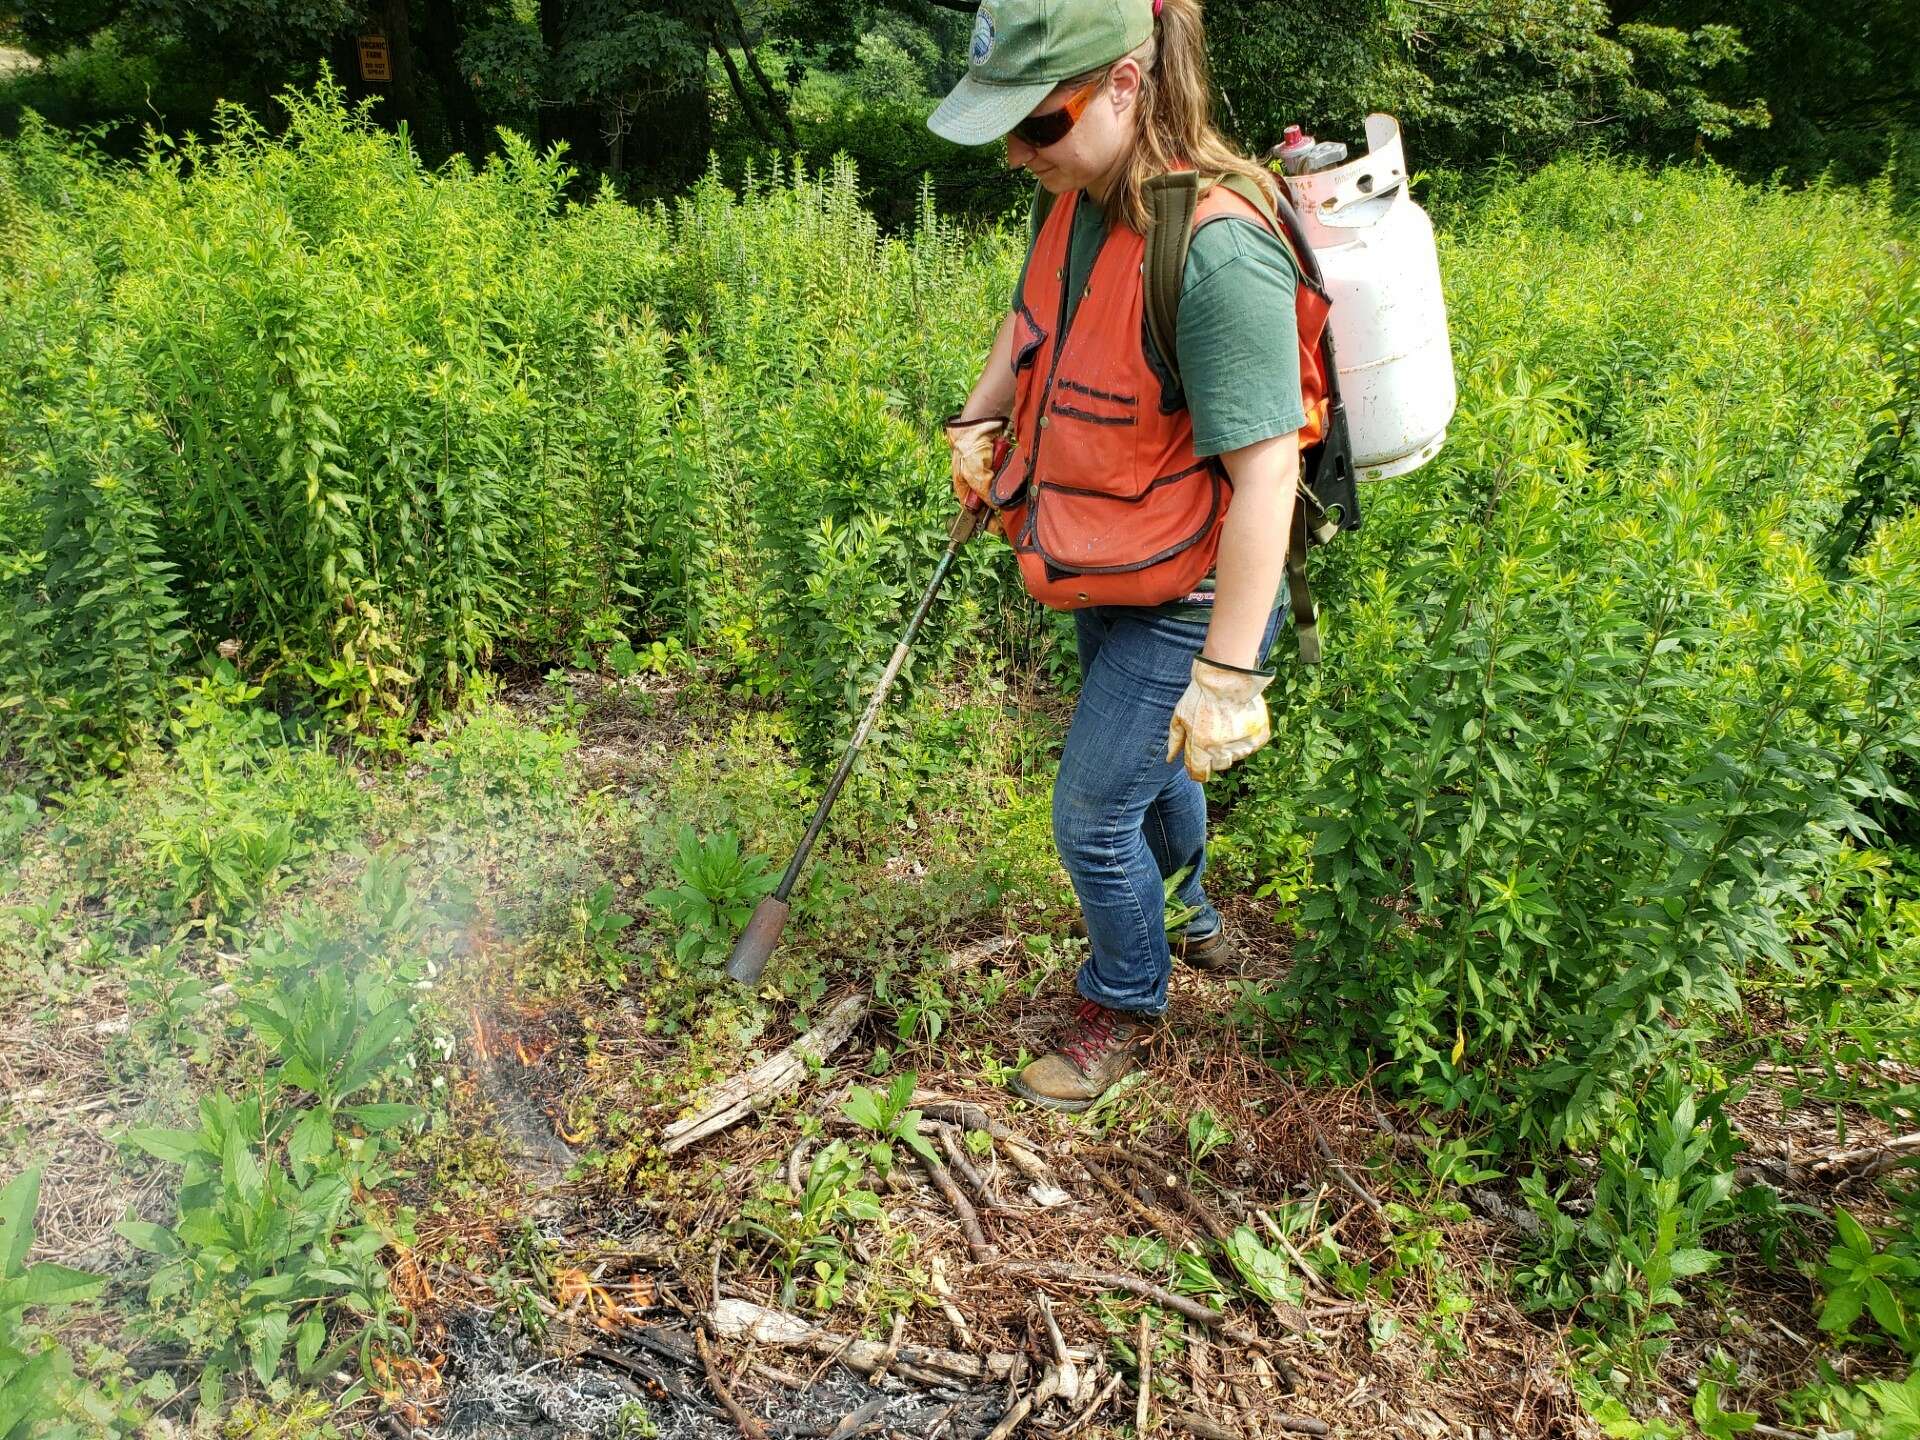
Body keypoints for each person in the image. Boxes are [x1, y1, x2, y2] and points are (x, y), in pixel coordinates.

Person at [930, 0, 1313, 1110]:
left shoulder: (1218, 250)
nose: (1017, 153)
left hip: (1194, 584)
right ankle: (1189, 915)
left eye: (1037, 123)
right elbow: (1030, 323)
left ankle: (1125, 1002)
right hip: (1110, 549)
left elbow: (1267, 476)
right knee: (1154, 775)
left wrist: (1228, 675)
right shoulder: (1080, 197)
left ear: (1125, 87)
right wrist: (979, 419)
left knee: (1092, 816)